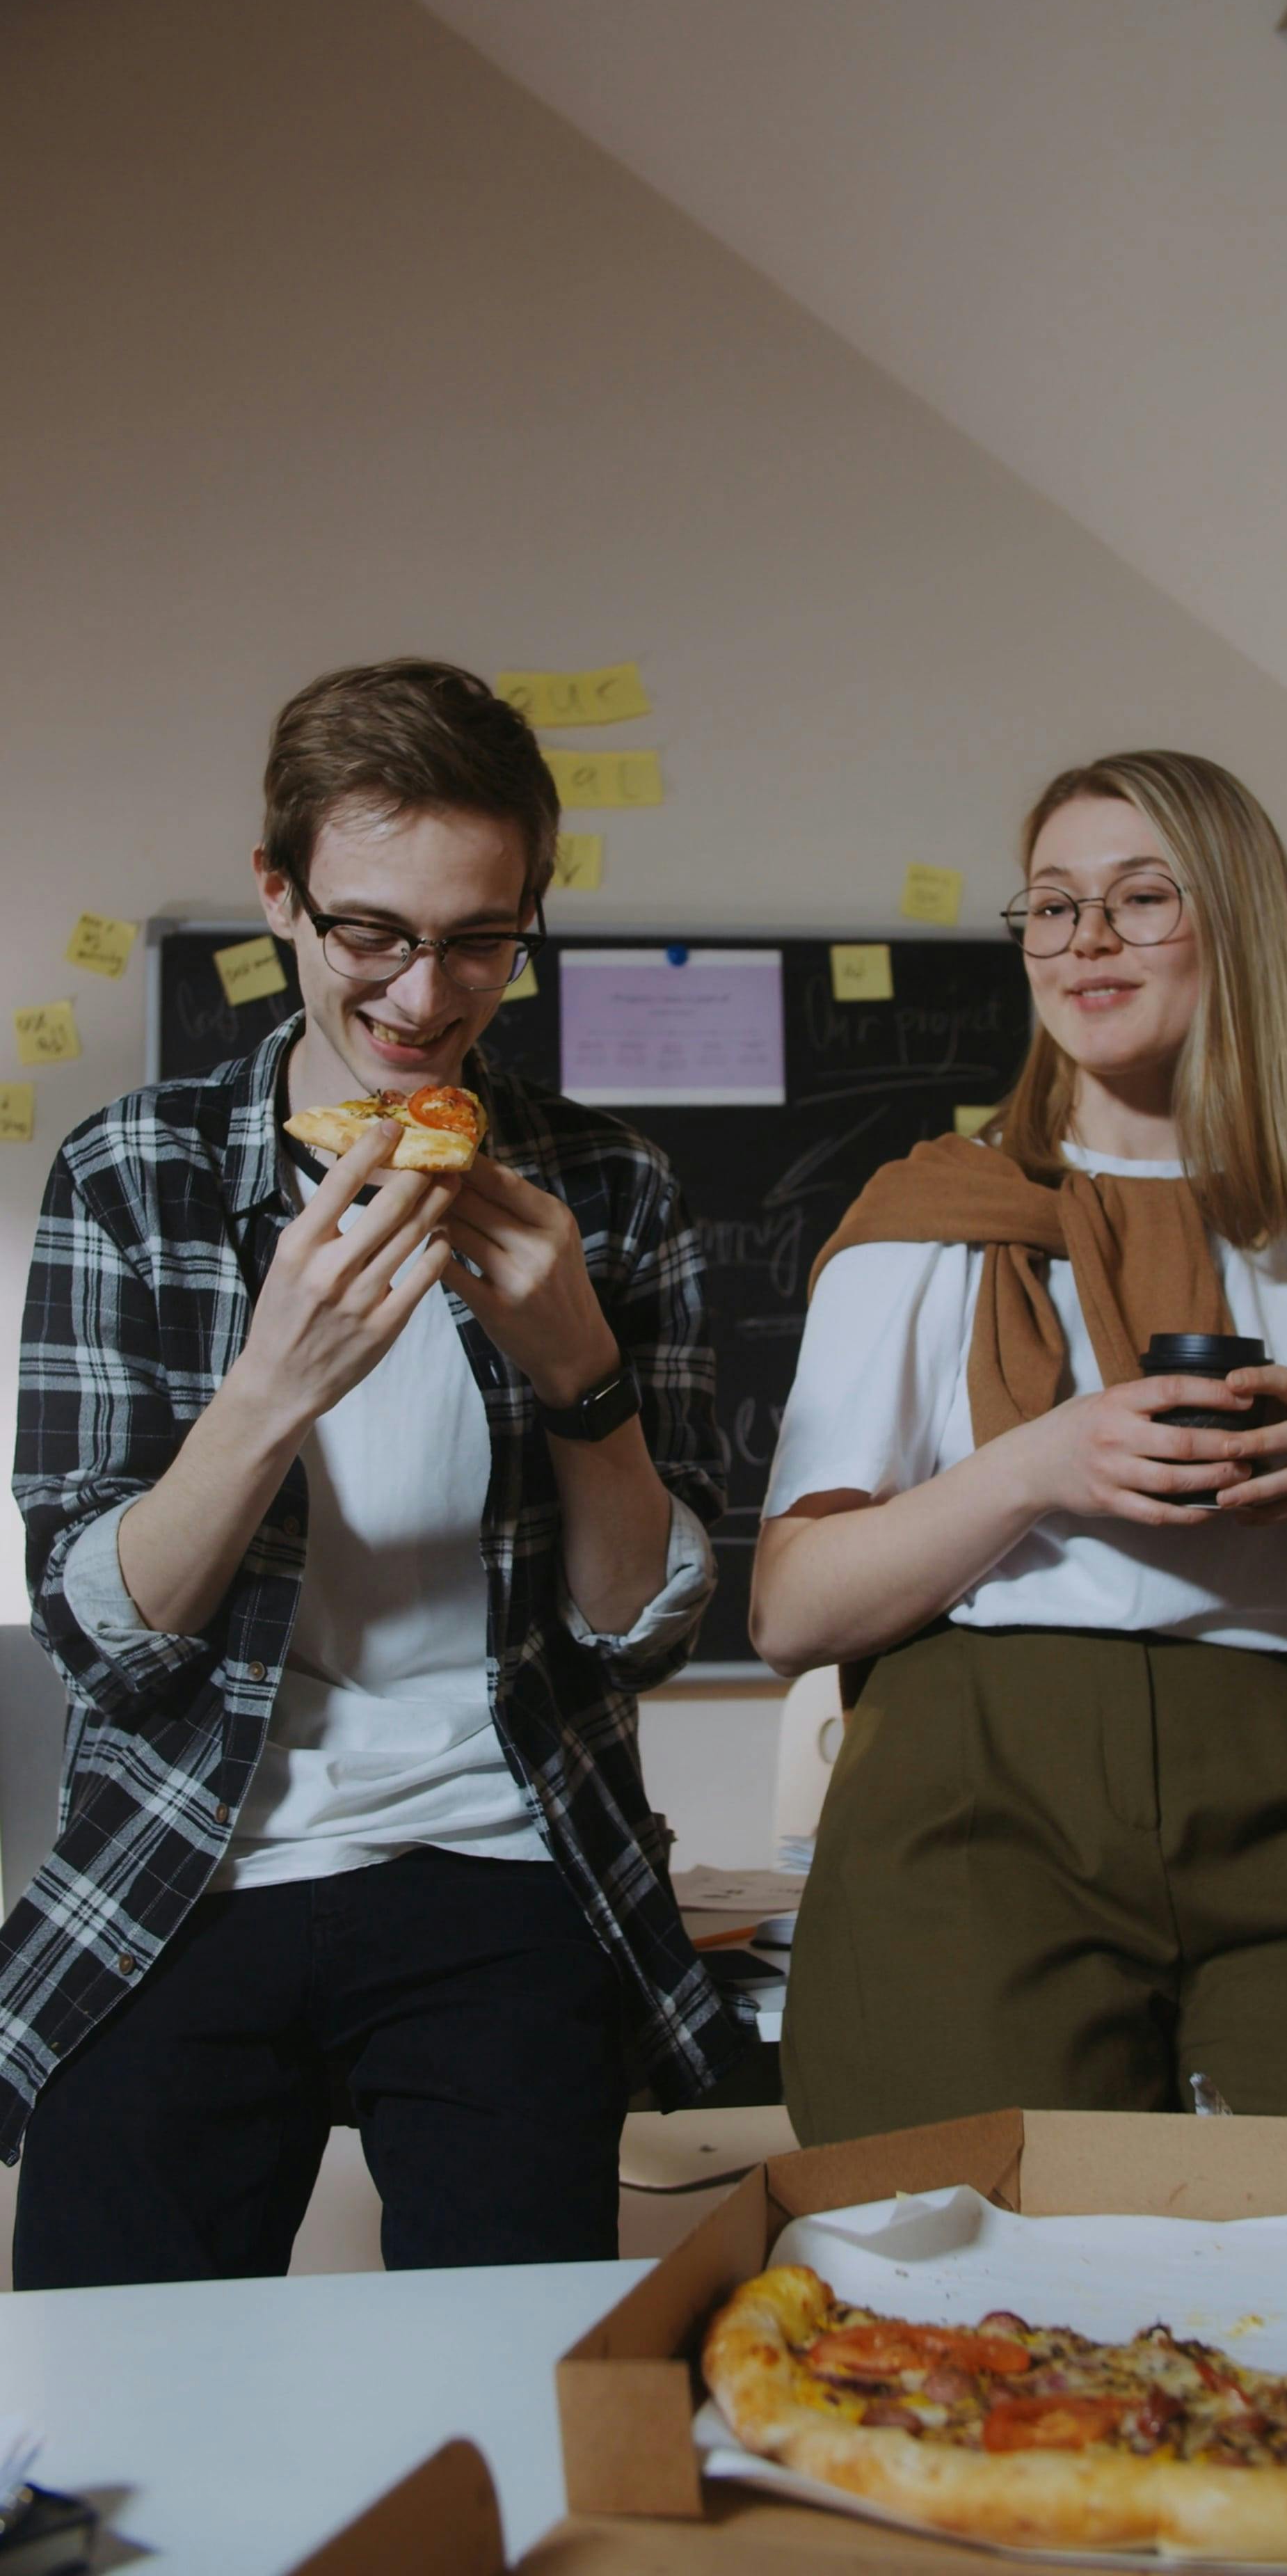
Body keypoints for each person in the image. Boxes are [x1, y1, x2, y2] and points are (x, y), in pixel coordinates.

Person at [8, 658, 745, 2287]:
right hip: (189, 1855)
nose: (426, 996)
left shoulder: (608, 1193)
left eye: (482, 938)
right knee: (103, 2389)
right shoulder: (136, 1173)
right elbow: (105, 1641)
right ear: (278, 895)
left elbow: (647, 1636)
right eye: (373, 934)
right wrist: (271, 1388)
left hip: (502, 1850)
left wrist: (583, 1376)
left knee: (512, 2397)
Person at [751, 749, 1287, 2145]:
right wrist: (1037, 1466)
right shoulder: (929, 1214)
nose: (1086, 940)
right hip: (970, 1794)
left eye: (1140, 898)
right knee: (963, 2259)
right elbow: (790, 1608)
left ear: (1239, 922)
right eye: (1052, 905)